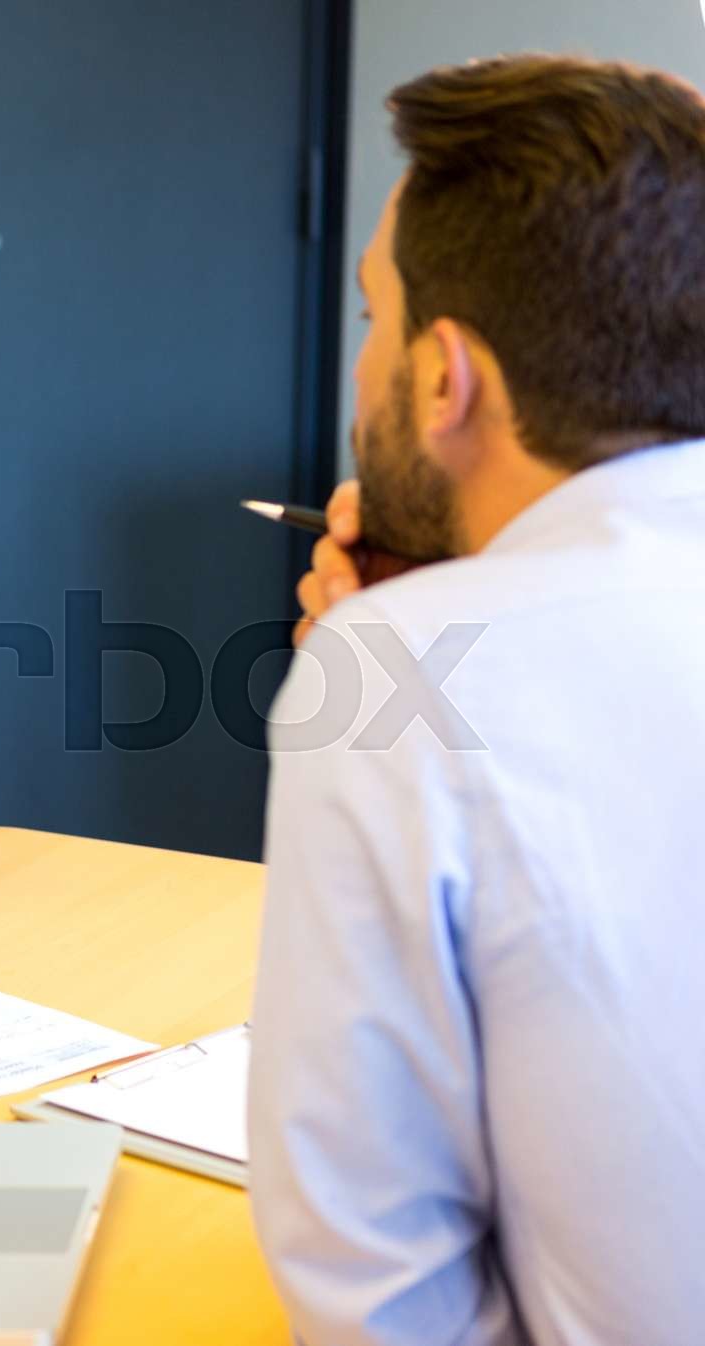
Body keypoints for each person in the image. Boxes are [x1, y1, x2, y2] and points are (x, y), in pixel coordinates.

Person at [252, 55, 705, 1345]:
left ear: (444, 378)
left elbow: (368, 1290)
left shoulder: (392, 669)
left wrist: (400, 656)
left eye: (369, 321)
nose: (365, 368)